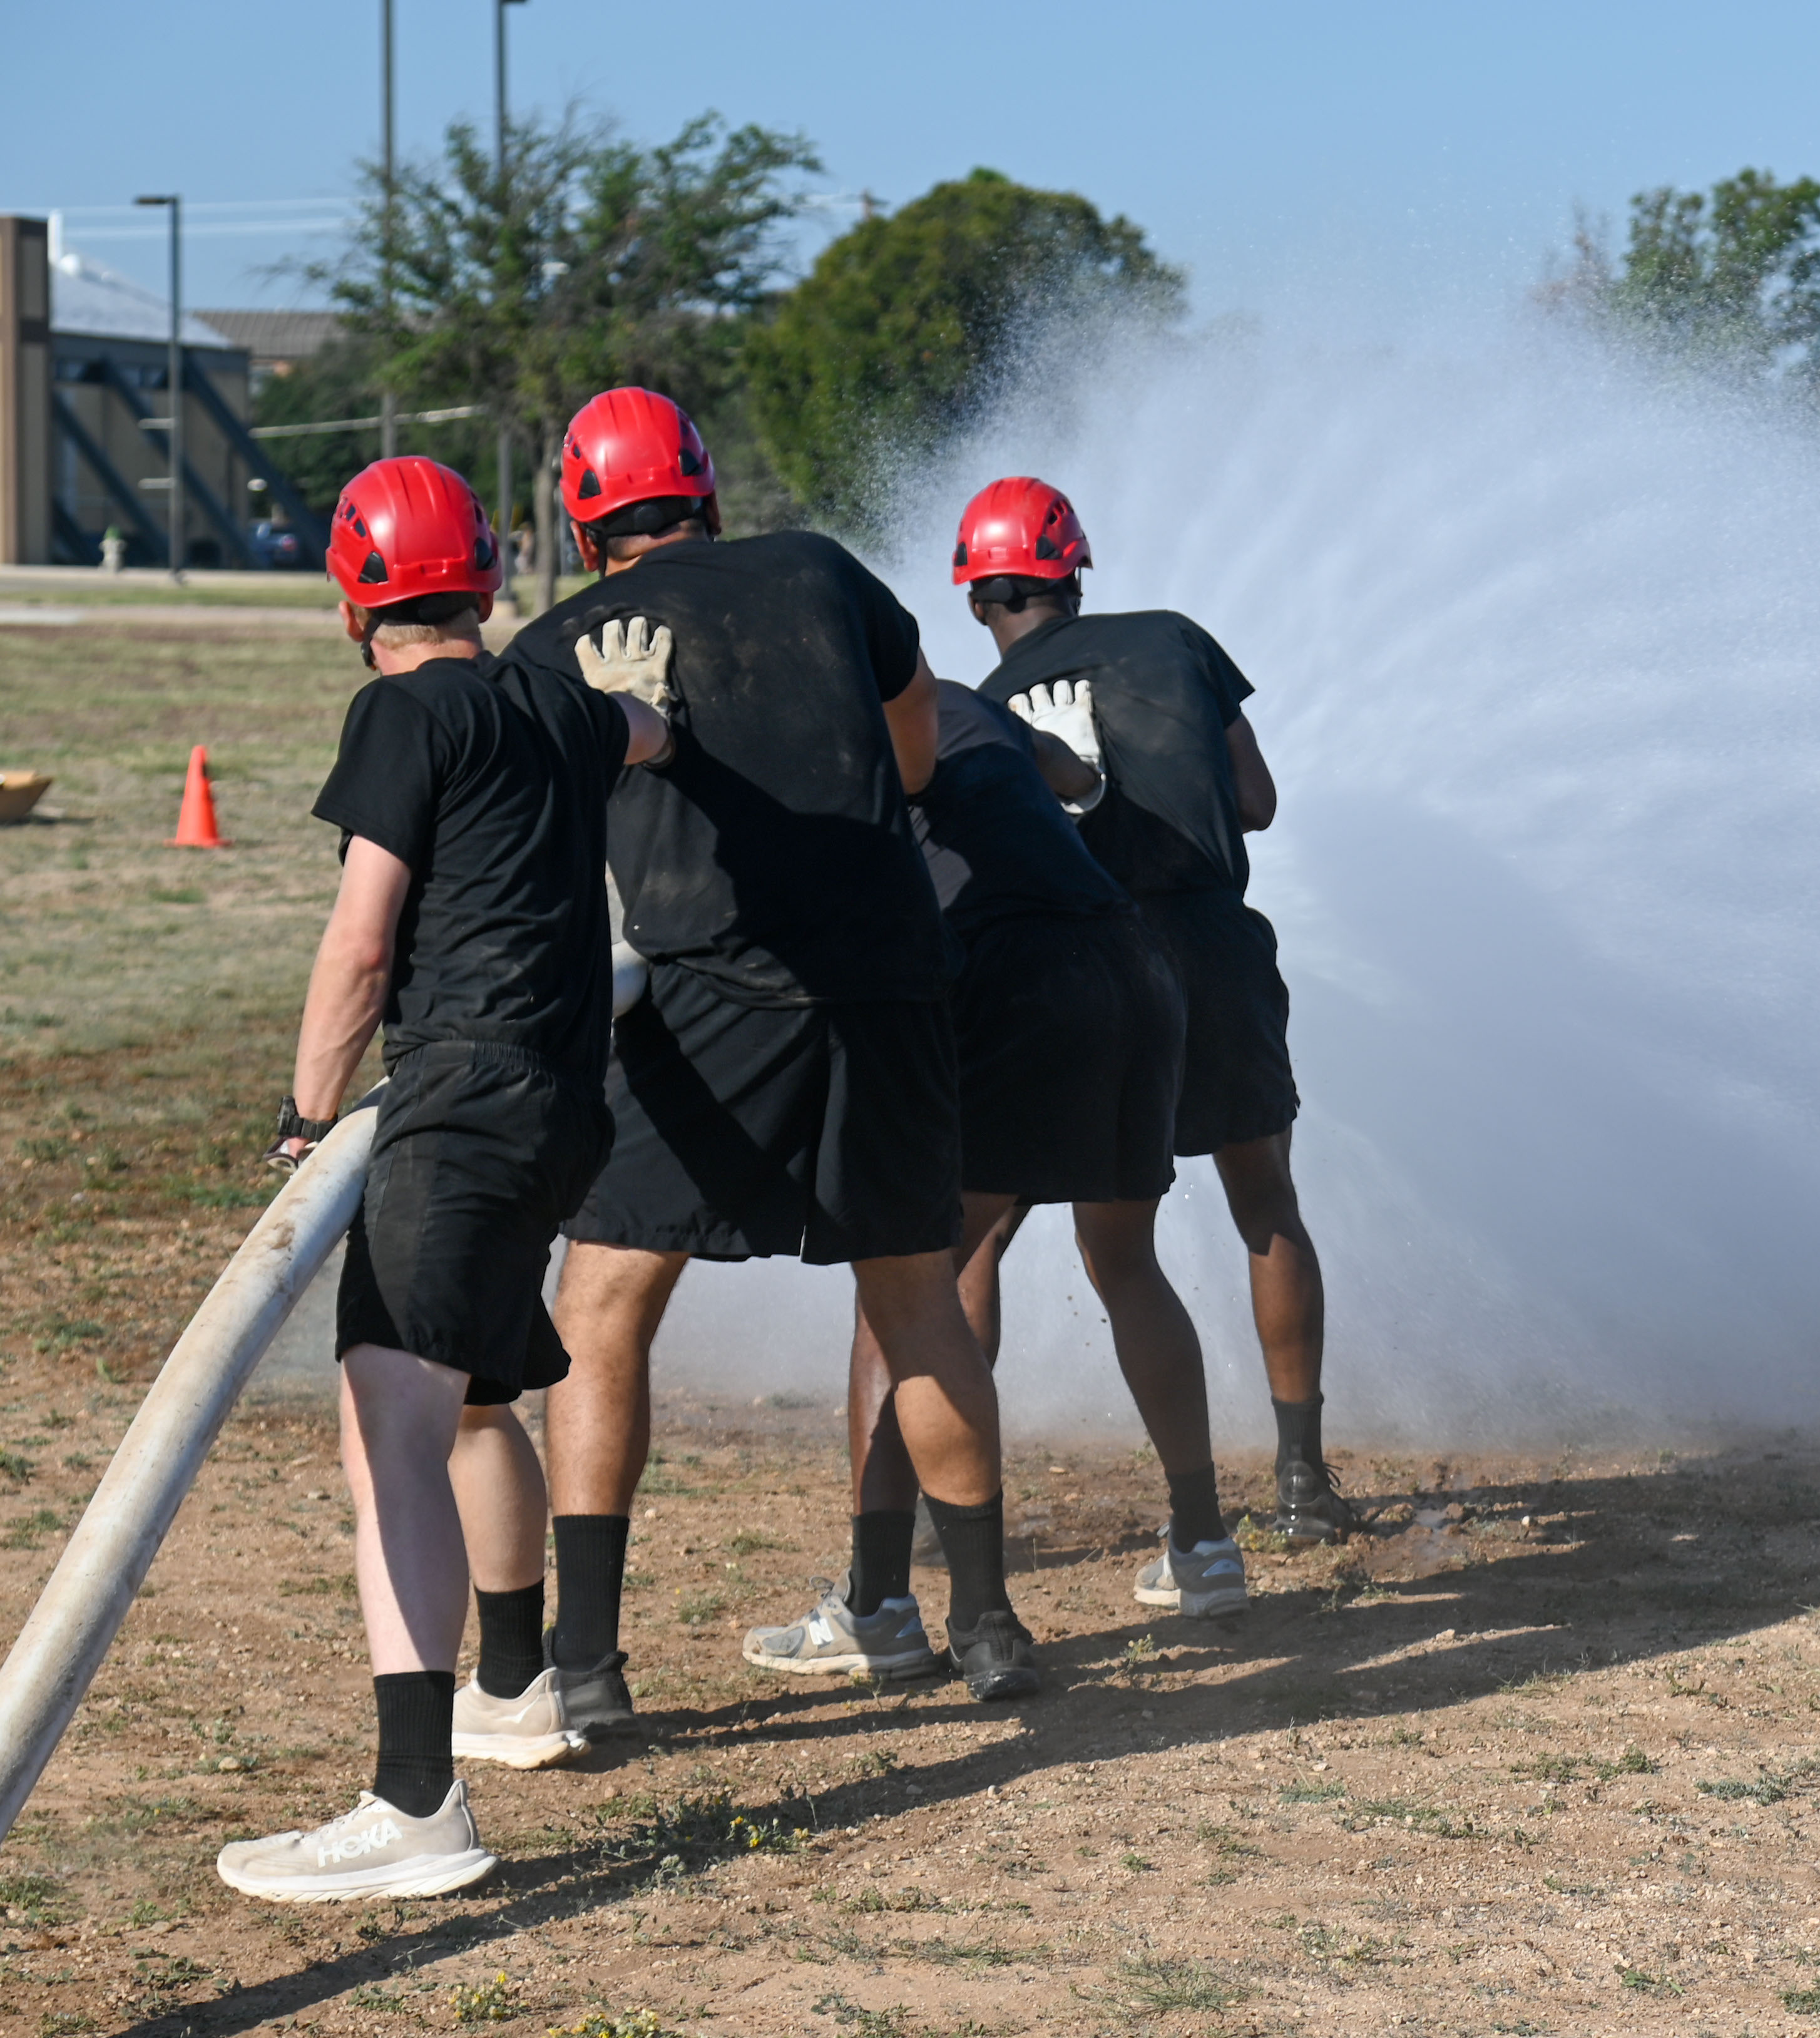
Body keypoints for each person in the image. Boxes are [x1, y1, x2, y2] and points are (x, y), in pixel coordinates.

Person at [521, 389, 1037, 1722]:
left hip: (713, 987)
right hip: (893, 983)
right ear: (706, 495)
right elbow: (915, 748)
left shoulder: (558, 643)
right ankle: (987, 1626)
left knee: (602, 1304)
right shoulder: (818, 567)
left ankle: (587, 1664)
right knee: (916, 1300)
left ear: (584, 529)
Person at [216, 457, 668, 1903]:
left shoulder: (402, 710)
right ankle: (519, 1684)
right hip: (560, 1106)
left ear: (356, 600)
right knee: (472, 1398)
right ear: (484, 578)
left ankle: (415, 1799)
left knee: (387, 1435)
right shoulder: (557, 702)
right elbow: (648, 728)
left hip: (459, 1104)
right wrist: (645, 710)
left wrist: (304, 1118)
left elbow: (362, 941)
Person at [743, 598, 1243, 1677]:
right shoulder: (965, 705)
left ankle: (884, 1604)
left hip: (1015, 981)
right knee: (1123, 1260)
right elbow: (1068, 776)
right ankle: (1205, 1547)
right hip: (1128, 967)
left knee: (905, 1287)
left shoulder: (827, 742)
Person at [971, 479, 1357, 1546]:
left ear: (975, 597)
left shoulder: (981, 705)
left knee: (985, 1234)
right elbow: (1255, 802)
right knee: (1265, 1201)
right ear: (1074, 573)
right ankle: (1301, 1481)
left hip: (1080, 969)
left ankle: (945, 1503)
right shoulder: (1178, 639)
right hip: (1213, 947)